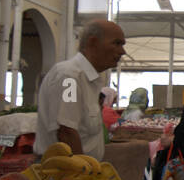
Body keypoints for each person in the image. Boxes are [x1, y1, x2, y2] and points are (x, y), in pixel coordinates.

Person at [34, 19, 125, 160]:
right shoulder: (69, 78)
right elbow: (66, 132)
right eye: (116, 43)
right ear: (93, 42)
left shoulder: (90, 80)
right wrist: (82, 175)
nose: (122, 51)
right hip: (61, 174)